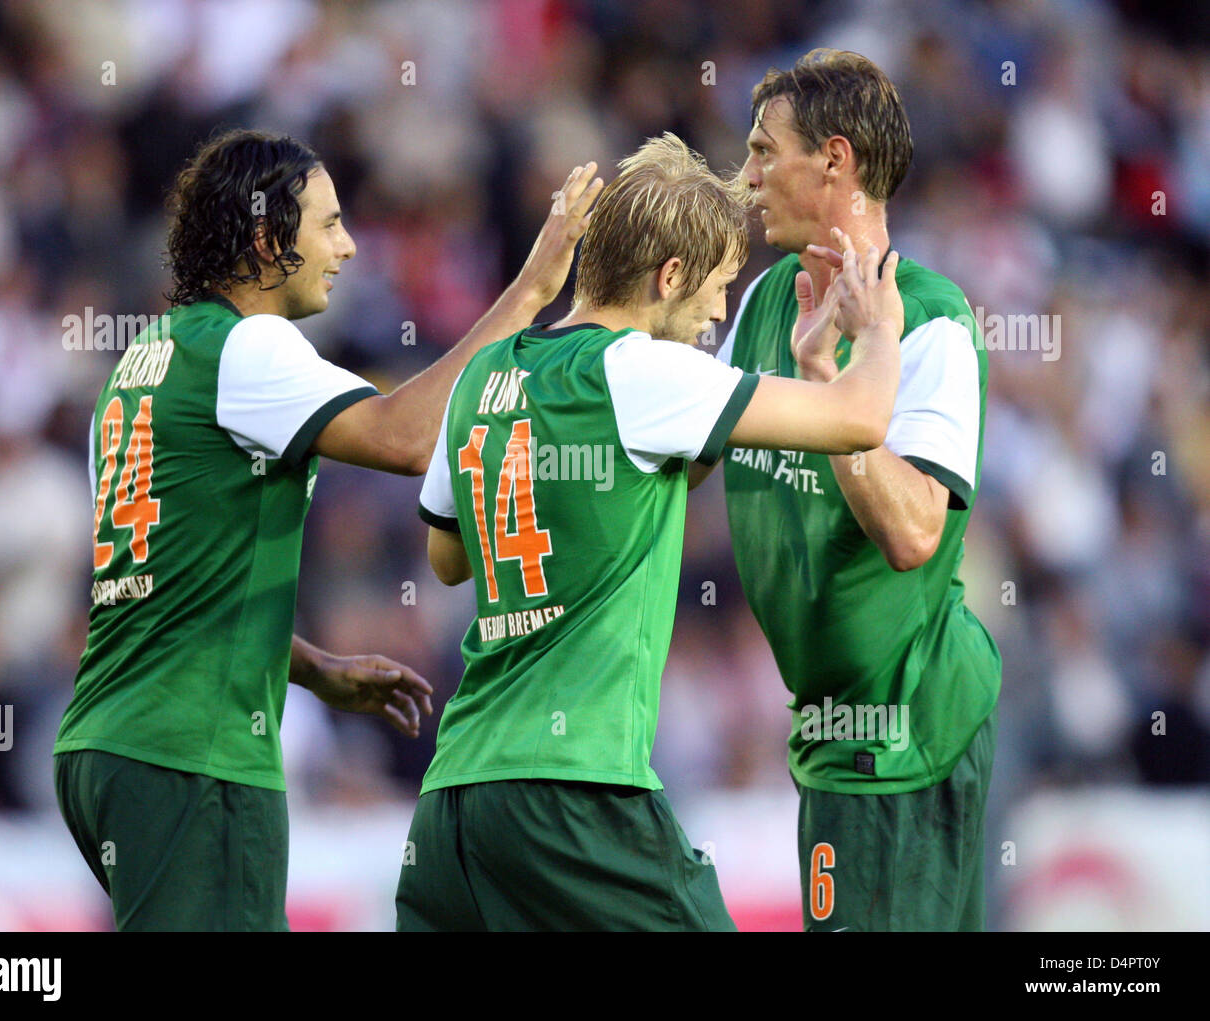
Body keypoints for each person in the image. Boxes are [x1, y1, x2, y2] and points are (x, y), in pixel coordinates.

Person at [52, 128, 603, 931]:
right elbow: (406, 438)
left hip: (110, 743)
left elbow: (167, 585)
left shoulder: (148, 356)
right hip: (191, 754)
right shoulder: (249, 349)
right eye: (328, 224)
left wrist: (311, 668)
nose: (347, 246)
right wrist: (527, 294)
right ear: (269, 238)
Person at [396, 133, 904, 931]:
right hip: (578, 797)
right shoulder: (644, 372)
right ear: (669, 275)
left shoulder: (483, 377)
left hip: (454, 802)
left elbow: (448, 556)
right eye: (713, 290)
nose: (714, 315)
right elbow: (860, 419)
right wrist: (871, 333)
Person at [709, 49, 1001, 931]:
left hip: (903, 733)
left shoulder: (932, 320)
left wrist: (828, 379)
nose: (747, 177)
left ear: (835, 160)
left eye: (765, 153)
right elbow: (681, 449)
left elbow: (914, 532)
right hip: (834, 733)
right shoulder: (764, 302)